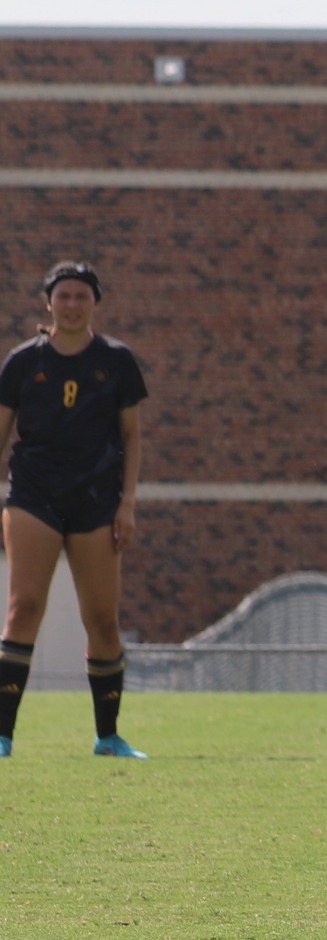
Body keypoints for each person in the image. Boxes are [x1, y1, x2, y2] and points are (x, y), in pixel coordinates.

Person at [0, 261, 149, 759]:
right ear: (48, 302)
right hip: (33, 496)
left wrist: (127, 503)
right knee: (25, 608)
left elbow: (131, 436)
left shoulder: (117, 361)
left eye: (81, 296)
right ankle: (2, 735)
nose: (71, 304)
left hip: (96, 501)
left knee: (103, 620)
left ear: (95, 303)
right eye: (63, 296)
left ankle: (108, 737)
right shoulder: (22, 362)